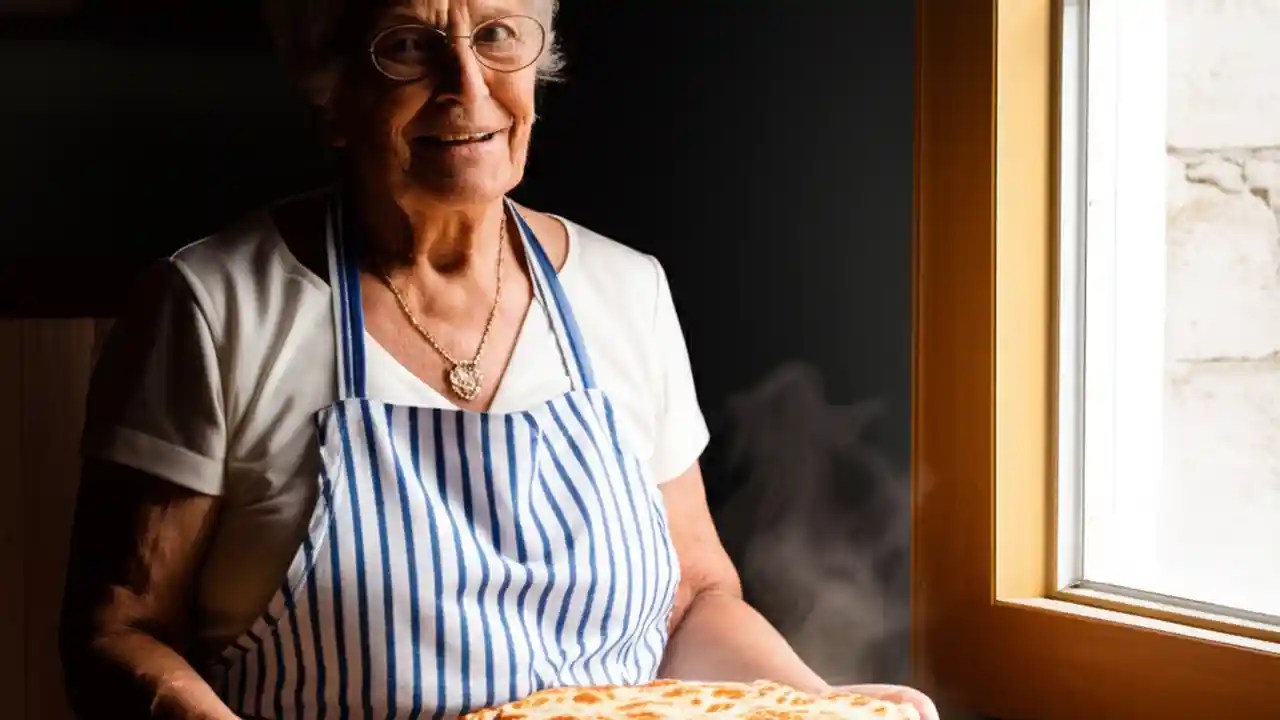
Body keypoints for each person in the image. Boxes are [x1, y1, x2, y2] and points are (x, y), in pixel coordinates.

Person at [59, 1, 935, 718]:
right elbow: (119, 630)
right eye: (408, 46)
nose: (465, 87)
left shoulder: (625, 290)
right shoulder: (214, 306)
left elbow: (694, 598)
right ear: (330, 85)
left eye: (496, 36)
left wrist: (814, 707)